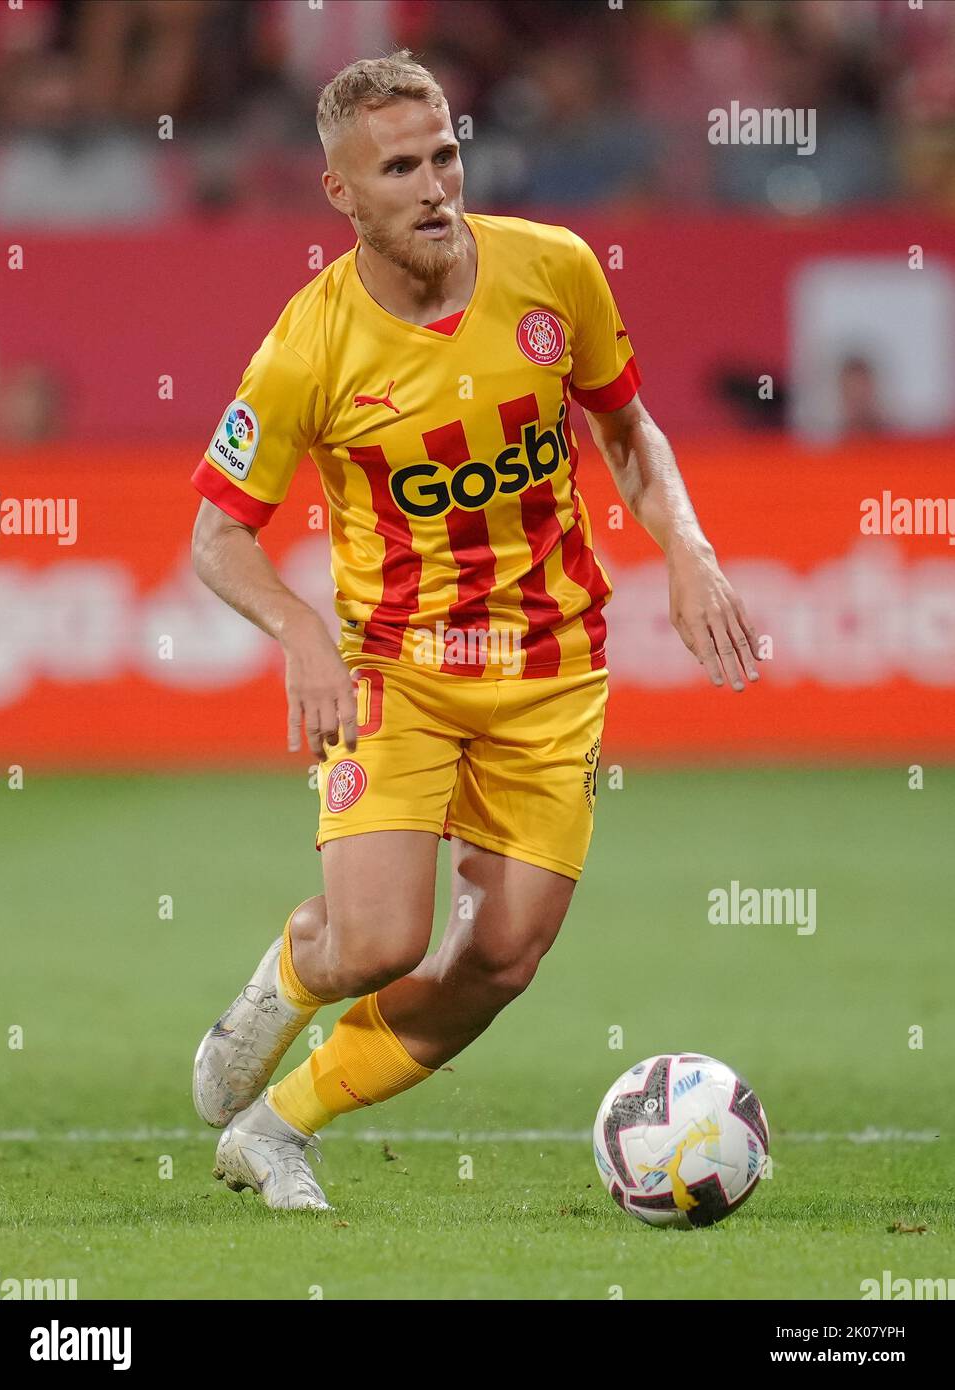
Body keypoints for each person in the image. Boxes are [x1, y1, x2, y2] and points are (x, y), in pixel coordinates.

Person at [190, 50, 759, 1211]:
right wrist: (303, 633)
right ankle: (292, 974)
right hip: (397, 666)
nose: (434, 183)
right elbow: (216, 535)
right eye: (399, 166)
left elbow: (628, 429)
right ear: (342, 192)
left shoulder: (552, 268)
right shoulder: (308, 345)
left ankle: (276, 1125)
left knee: (501, 959)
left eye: (445, 152)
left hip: (555, 667)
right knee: (379, 941)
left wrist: (687, 548)